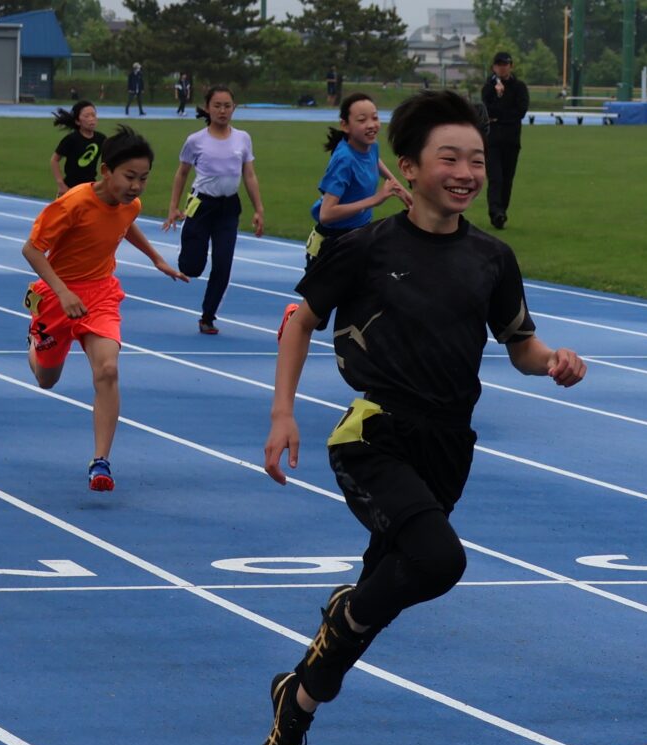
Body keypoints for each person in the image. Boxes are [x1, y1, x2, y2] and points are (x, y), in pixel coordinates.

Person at [258, 89, 586, 745]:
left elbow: (519, 343)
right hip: (373, 434)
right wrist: (283, 412)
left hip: (449, 446)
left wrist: (554, 360)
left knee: (380, 599)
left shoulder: (493, 258)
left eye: (476, 158)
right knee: (438, 560)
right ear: (408, 168)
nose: (467, 171)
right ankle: (342, 613)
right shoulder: (365, 248)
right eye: (450, 157)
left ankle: (300, 698)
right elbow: (299, 319)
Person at [22, 125, 189, 492]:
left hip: (100, 294)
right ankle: (35, 341)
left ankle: (101, 462)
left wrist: (157, 258)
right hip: (57, 296)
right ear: (106, 171)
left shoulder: (132, 204)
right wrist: (62, 293)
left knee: (108, 369)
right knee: (46, 380)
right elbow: (32, 250)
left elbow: (125, 224)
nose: (136, 186)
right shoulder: (73, 203)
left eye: (143, 178)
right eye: (130, 177)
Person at [277, 92, 410, 337]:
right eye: (362, 120)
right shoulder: (343, 161)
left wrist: (397, 186)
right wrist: (377, 198)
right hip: (331, 242)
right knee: (317, 320)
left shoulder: (370, 145)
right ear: (345, 126)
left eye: (375, 117)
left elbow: (375, 160)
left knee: (371, 295)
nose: (371, 125)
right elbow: (326, 214)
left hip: (360, 236)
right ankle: (293, 315)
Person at [162, 85, 265, 335]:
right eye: (217, 105)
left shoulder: (242, 138)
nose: (222, 110)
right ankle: (187, 246)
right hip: (201, 205)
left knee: (223, 263)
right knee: (192, 267)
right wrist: (173, 207)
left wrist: (258, 209)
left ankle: (208, 316)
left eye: (227, 106)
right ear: (208, 108)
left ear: (234, 108)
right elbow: (182, 173)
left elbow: (249, 175)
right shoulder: (196, 140)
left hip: (228, 207)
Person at [480, 52, 529, 230]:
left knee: (507, 179)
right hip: (492, 140)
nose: (502, 67)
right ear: (494, 67)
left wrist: (499, 115)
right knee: (495, 178)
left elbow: (521, 111)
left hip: (511, 140)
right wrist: (499, 99)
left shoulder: (519, 87)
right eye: (499, 64)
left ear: (511, 66)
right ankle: (495, 211)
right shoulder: (488, 88)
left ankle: (502, 212)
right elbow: (487, 110)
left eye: (505, 64)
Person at [50, 100, 108, 198]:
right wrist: (61, 185)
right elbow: (54, 160)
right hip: (70, 188)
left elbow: (108, 161)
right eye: (86, 116)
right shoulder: (71, 139)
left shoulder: (101, 139)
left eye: (93, 115)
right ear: (77, 121)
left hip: (90, 188)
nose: (91, 119)